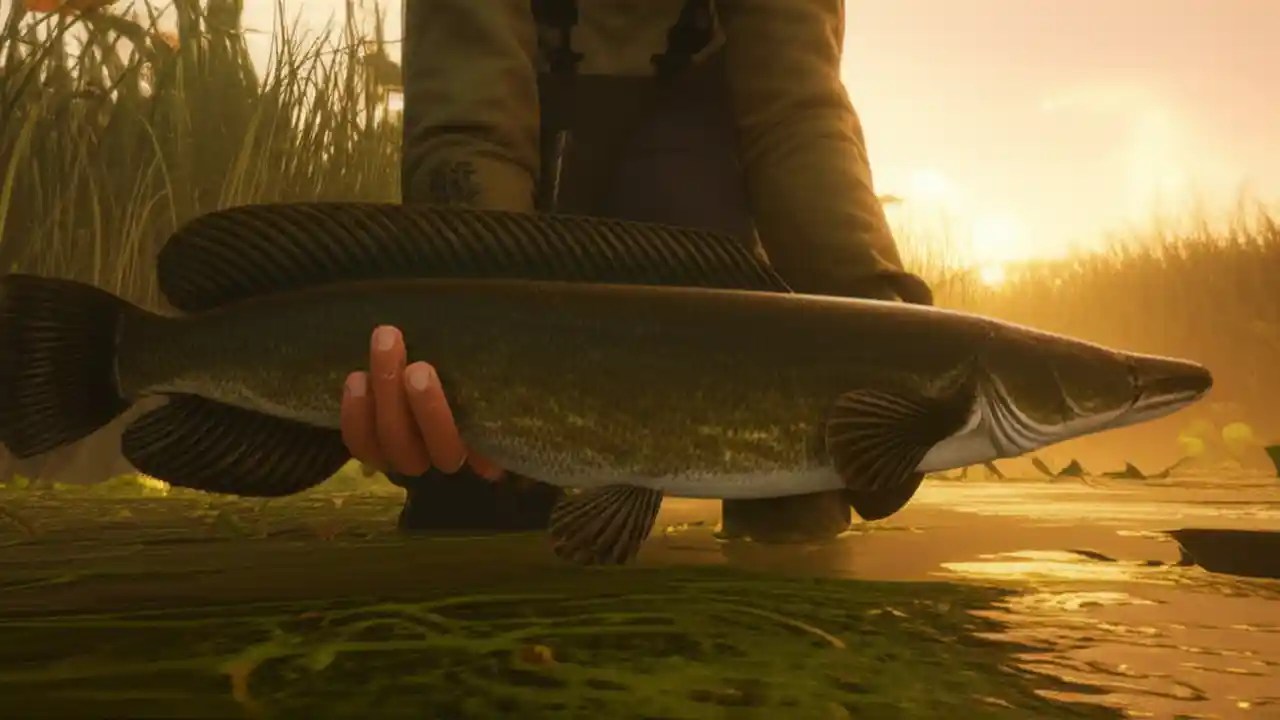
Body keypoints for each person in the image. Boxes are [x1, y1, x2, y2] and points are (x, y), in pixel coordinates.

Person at [340, 0, 933, 542]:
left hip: (696, 159)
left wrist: (874, 311)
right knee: (464, 479)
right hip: (529, 174)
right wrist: (462, 342)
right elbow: (468, 126)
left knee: (802, 475)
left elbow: (797, 116)